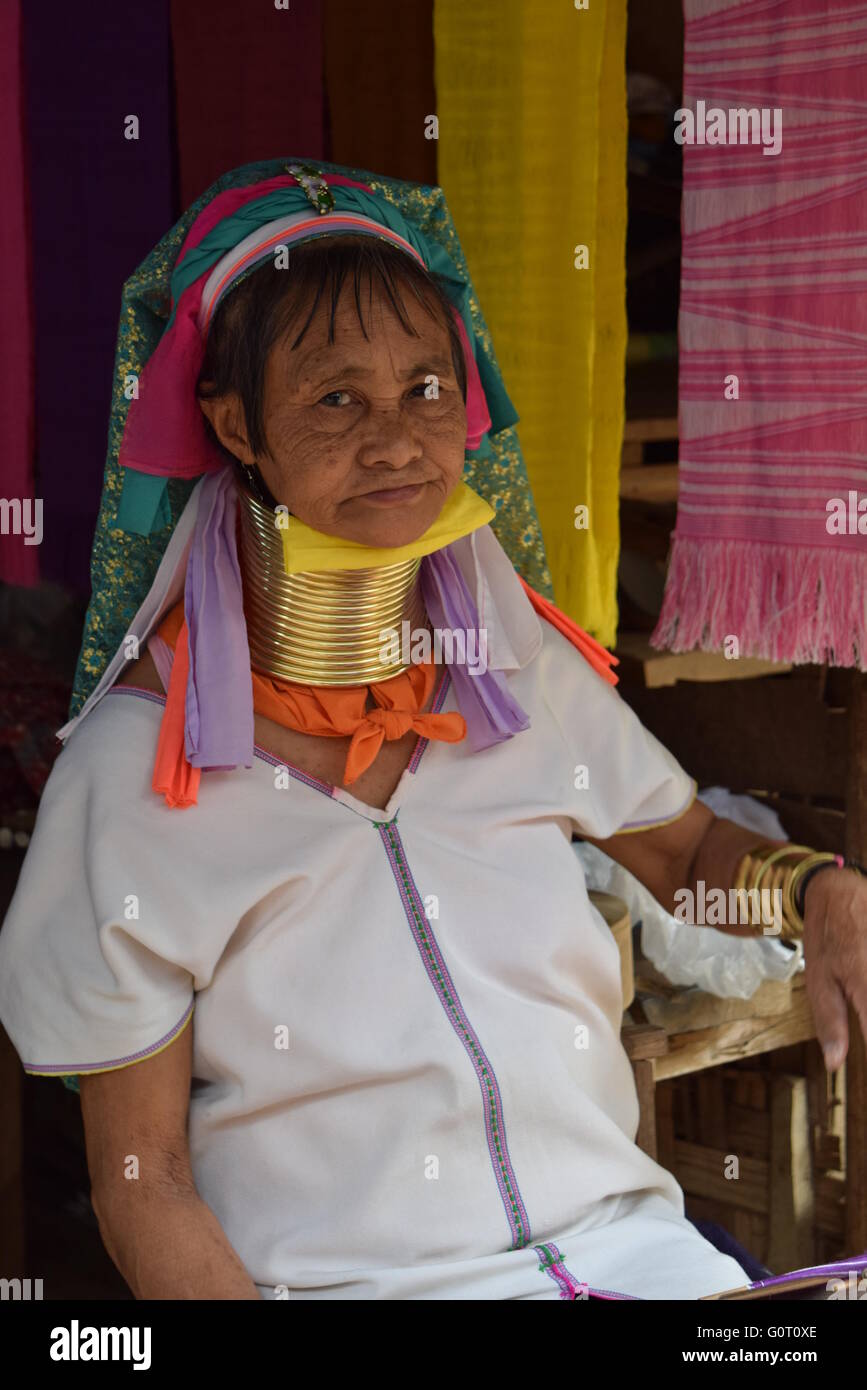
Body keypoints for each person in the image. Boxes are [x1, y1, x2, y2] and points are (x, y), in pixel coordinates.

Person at [1, 160, 865, 1302]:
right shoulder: (130, 778)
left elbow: (693, 857)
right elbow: (141, 1179)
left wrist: (818, 894)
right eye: (336, 397)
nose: (400, 440)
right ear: (232, 424)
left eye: (425, 388)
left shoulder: (519, 678)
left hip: (635, 1261)